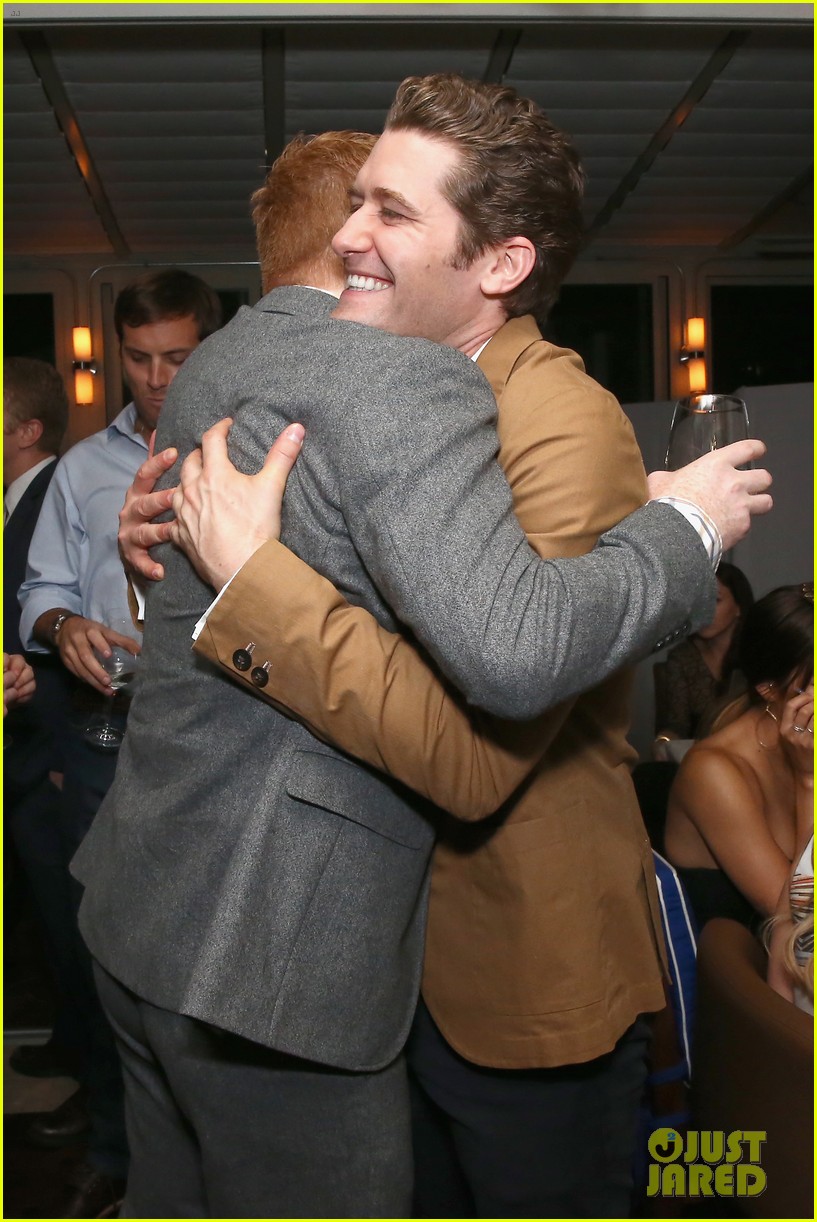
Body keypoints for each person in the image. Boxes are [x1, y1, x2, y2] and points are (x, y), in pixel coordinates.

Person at [79, 86, 769, 1219]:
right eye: (355, 205)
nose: (346, 238)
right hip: (369, 954)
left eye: (389, 215)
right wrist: (174, 552)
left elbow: (482, 745)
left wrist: (255, 589)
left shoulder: (561, 418)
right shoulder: (362, 379)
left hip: (507, 967)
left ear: (497, 264)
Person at [16, 269, 222, 1218]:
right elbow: (41, 591)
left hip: (218, 745)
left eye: (176, 356)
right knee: (100, 953)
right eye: (138, 358)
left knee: (198, 967)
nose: (155, 376)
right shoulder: (77, 471)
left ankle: (208, 1163)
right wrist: (64, 632)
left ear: (208, 348)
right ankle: (114, 1146)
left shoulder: (244, 452)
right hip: (105, 739)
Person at [664, 583, 813, 933]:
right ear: (770, 689)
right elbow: (799, 919)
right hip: (760, 968)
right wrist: (809, 781)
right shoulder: (714, 772)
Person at [653, 560, 754, 757]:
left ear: (738, 607)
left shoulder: (756, 655)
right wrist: (662, 744)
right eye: (700, 602)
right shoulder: (683, 657)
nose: (704, 611)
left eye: (715, 601)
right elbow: (676, 724)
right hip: (698, 758)